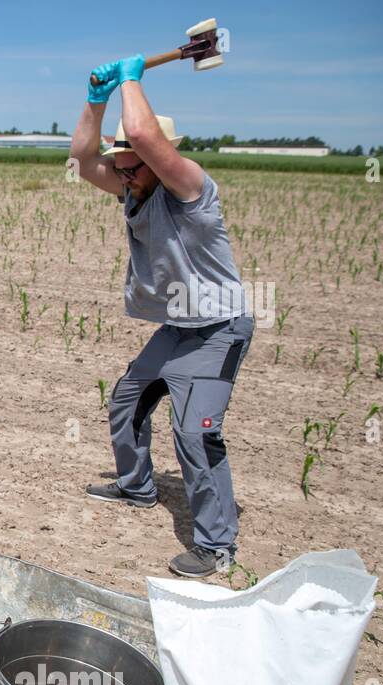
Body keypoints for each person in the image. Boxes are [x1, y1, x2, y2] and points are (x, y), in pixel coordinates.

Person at [69, 54, 255, 578]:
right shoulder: (135, 186)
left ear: (159, 157)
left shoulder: (192, 190)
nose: (122, 172)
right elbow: (83, 161)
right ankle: (136, 487)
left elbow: (145, 139)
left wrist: (131, 79)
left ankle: (215, 545)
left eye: (131, 164)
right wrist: (95, 98)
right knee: (127, 400)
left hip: (219, 330)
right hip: (178, 329)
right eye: (121, 165)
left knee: (196, 434)